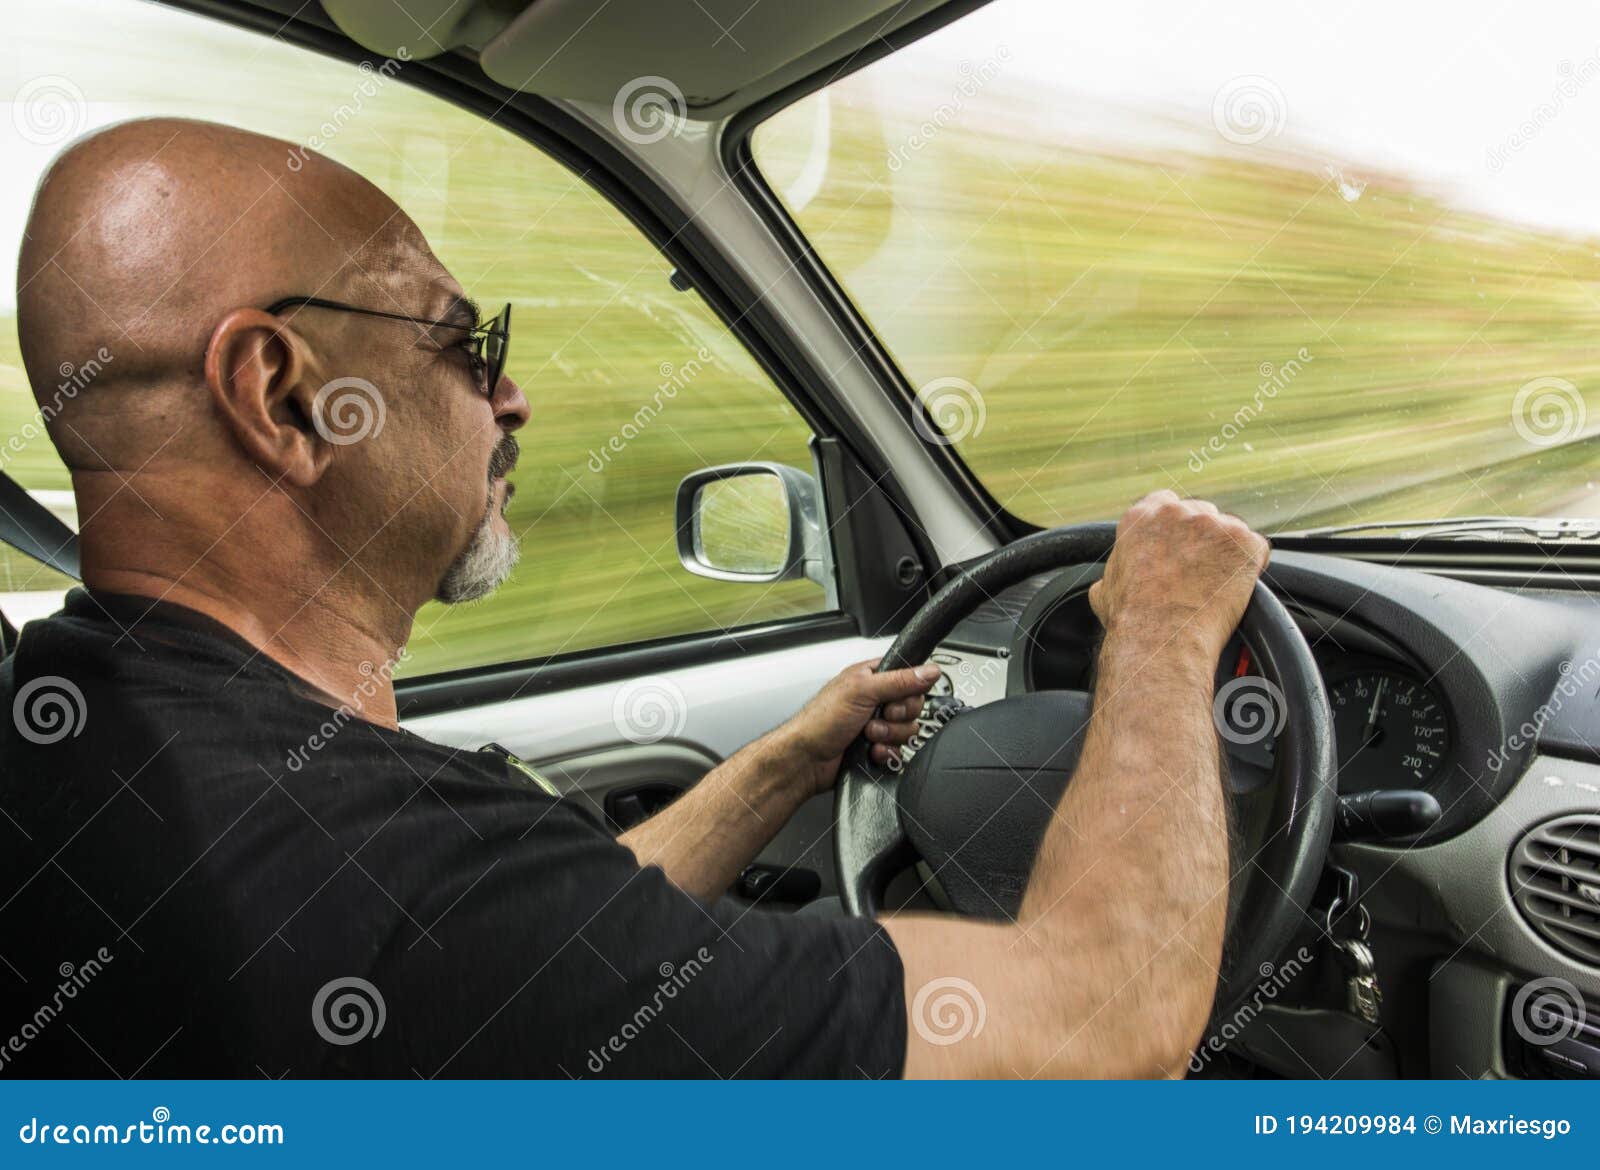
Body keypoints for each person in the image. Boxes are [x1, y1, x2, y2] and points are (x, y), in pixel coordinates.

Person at [0, 118, 1267, 1078]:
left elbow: (553, 947)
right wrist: (1163, 622)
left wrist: (784, 763)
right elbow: (1106, 1023)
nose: (511, 399)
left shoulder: (88, 733)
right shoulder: (376, 881)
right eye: (462, 341)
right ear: (282, 396)